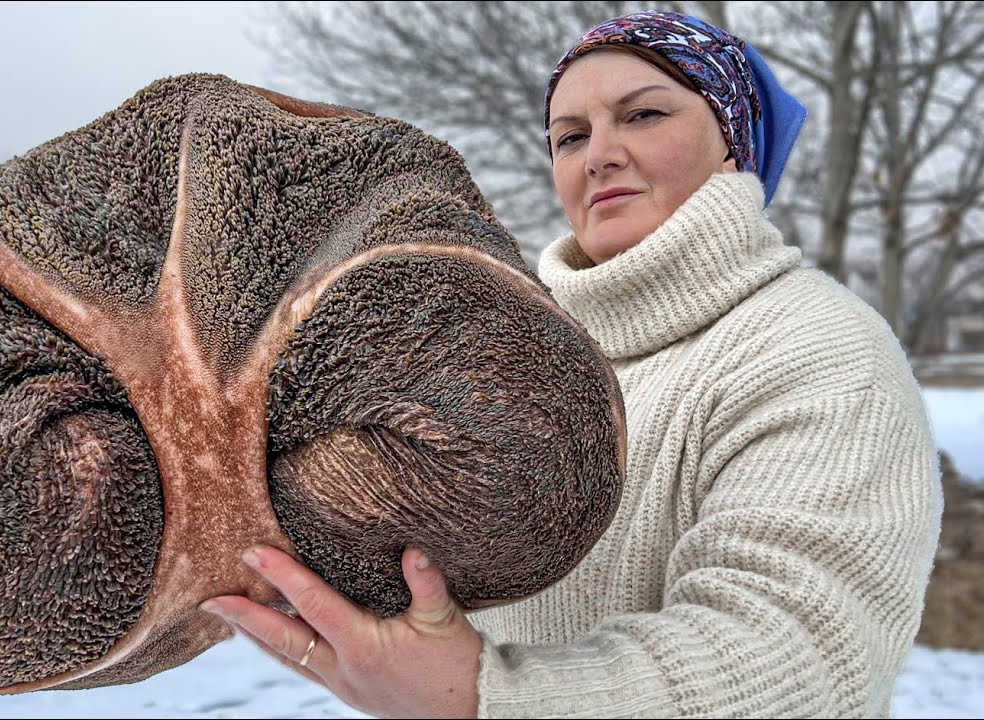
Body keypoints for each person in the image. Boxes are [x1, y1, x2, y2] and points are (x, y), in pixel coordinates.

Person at [198, 10, 943, 718]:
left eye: (644, 115)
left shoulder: (818, 346)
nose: (600, 155)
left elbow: (801, 660)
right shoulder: (496, 353)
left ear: (733, 142)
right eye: (569, 136)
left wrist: (483, 696)